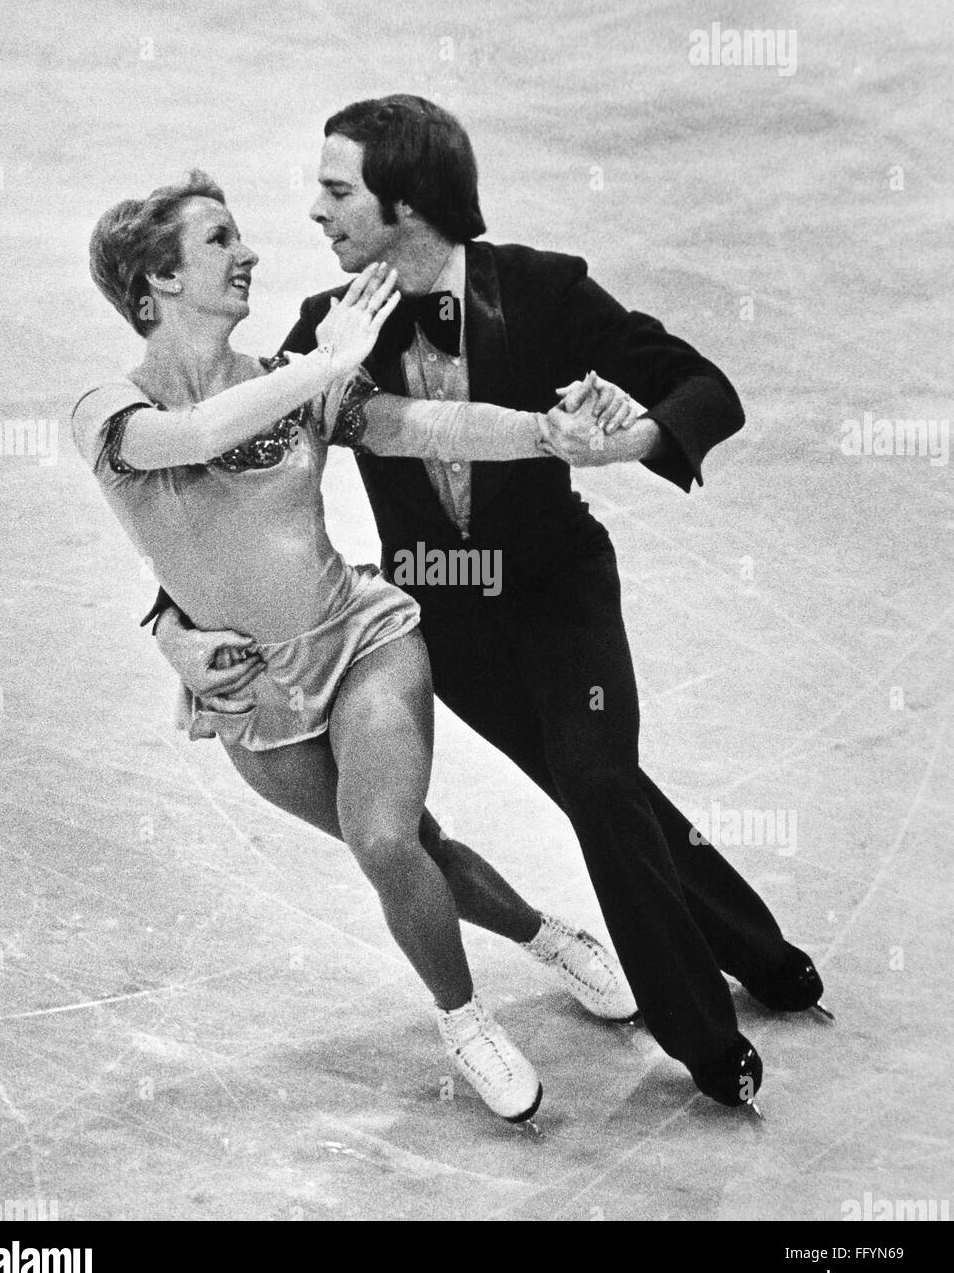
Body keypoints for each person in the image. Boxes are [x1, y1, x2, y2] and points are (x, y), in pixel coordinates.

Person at [149, 99, 833, 1114]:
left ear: (407, 203)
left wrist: (631, 439)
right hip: (446, 629)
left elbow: (702, 385)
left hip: (559, 590)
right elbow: (224, 511)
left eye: (337, 192)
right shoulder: (325, 339)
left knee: (599, 780)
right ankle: (765, 957)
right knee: (605, 795)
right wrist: (174, 629)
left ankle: (704, 1038)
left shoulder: (541, 290)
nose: (314, 213)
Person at [73, 170, 642, 1127]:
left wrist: (546, 432)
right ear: (156, 283)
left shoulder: (293, 381)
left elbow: (417, 423)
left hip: (365, 638)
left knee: (382, 836)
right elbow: (196, 435)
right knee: (412, 851)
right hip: (256, 696)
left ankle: (463, 1023)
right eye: (218, 240)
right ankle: (551, 936)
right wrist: (325, 361)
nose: (248, 251)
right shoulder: (105, 409)